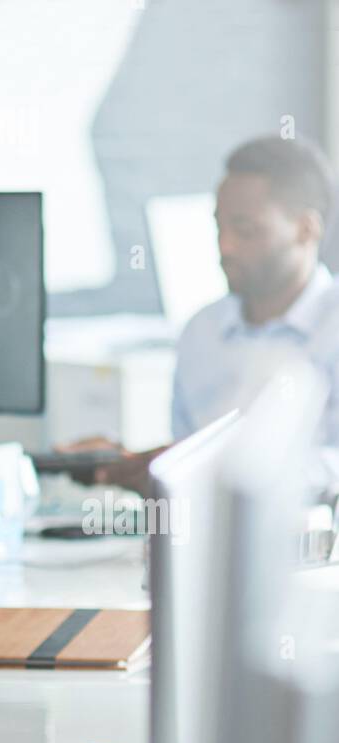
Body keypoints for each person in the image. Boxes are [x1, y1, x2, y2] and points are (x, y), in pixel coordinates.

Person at [66, 134, 339, 494]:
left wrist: (216, 471)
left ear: (306, 229)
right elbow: (189, 463)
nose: (225, 245)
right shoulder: (202, 331)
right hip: (205, 546)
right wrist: (141, 467)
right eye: (218, 226)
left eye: (245, 229)